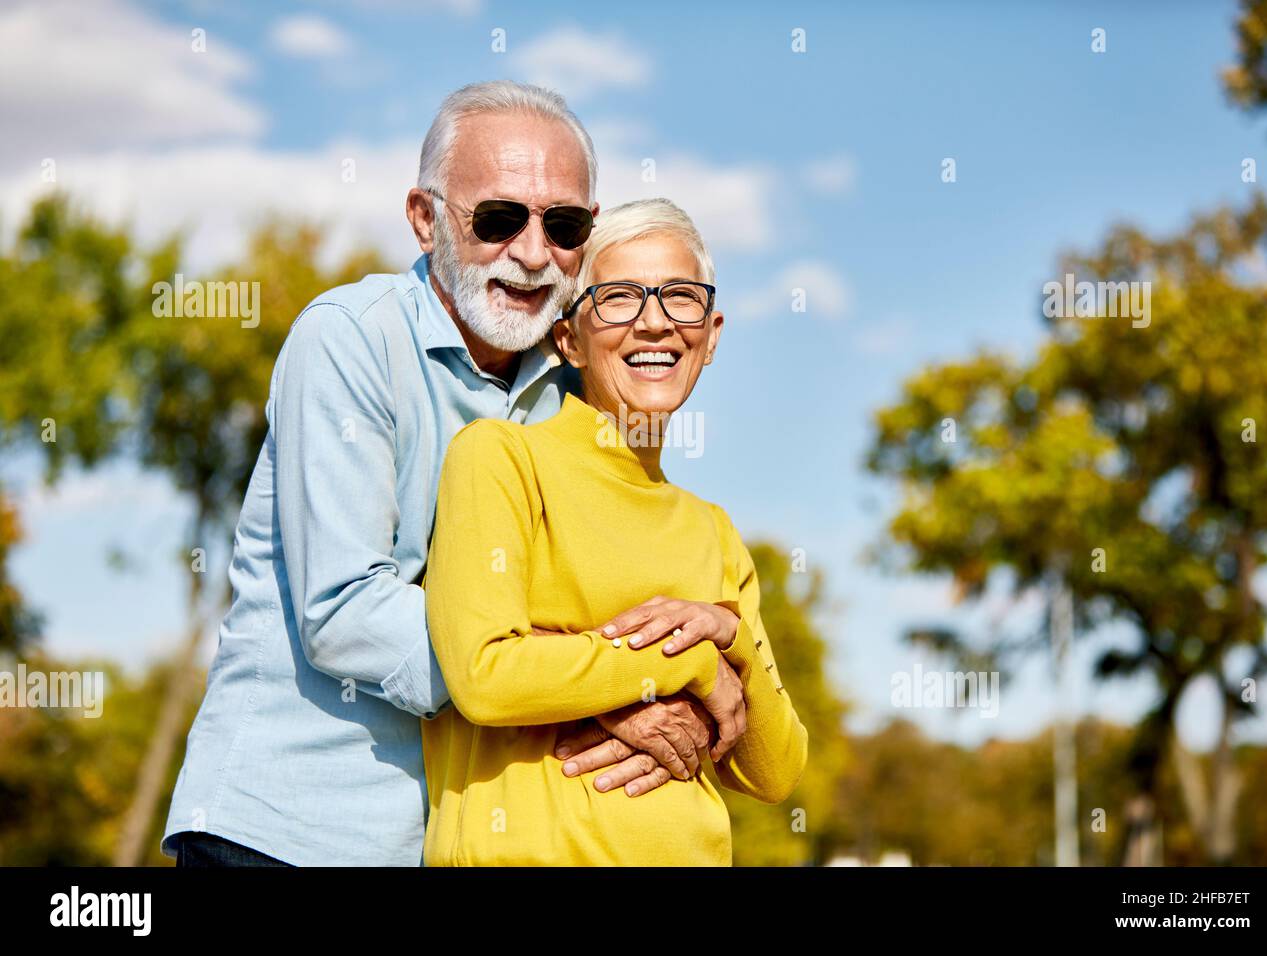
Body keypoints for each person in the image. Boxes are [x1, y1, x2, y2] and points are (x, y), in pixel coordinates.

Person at [163, 82, 744, 866]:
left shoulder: (576, 382)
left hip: (447, 840)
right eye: (498, 219)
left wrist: (713, 652)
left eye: (563, 226)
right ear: (425, 218)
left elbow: (618, 590)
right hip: (283, 831)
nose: (533, 253)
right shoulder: (348, 341)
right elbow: (345, 609)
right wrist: (606, 688)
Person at [423, 198, 808, 865]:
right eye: (620, 298)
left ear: (712, 334)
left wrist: (731, 638)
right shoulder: (501, 459)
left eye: (681, 297)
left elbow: (776, 772)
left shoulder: (714, 531)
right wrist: (689, 664)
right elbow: (484, 675)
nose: (655, 322)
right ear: (568, 338)